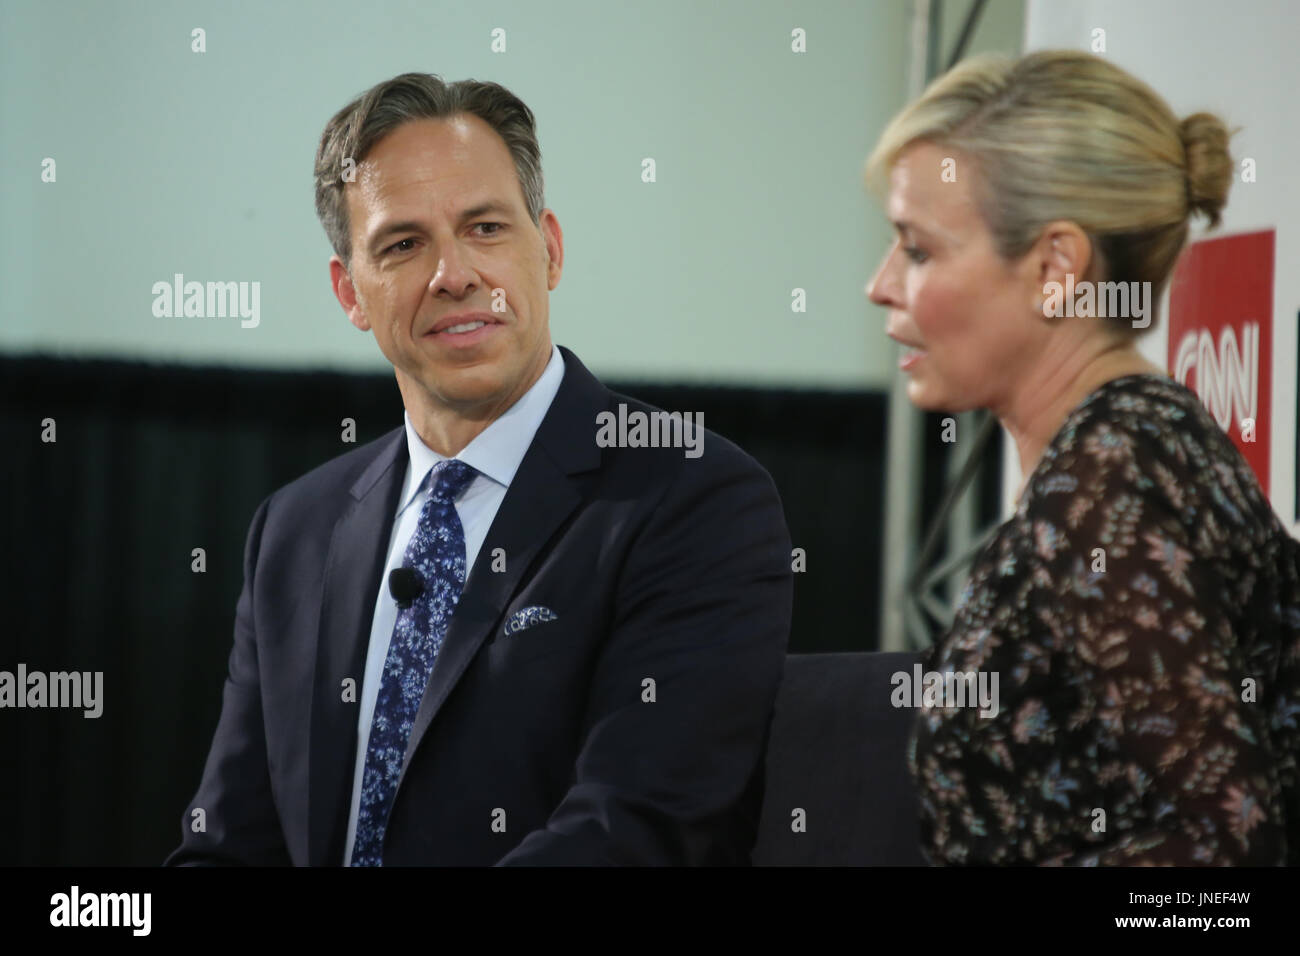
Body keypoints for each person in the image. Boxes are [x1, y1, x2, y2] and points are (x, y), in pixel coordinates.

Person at [165, 73, 793, 866]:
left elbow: (633, 829)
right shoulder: (294, 531)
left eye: (486, 228)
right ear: (349, 292)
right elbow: (228, 845)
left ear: (551, 248)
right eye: (402, 244)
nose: (453, 274)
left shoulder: (690, 495)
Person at [865, 49, 1298, 864]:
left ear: (1056, 268)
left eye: (918, 250)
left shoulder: (1111, 476)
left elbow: (1225, 868)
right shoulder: (1128, 450)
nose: (881, 284)